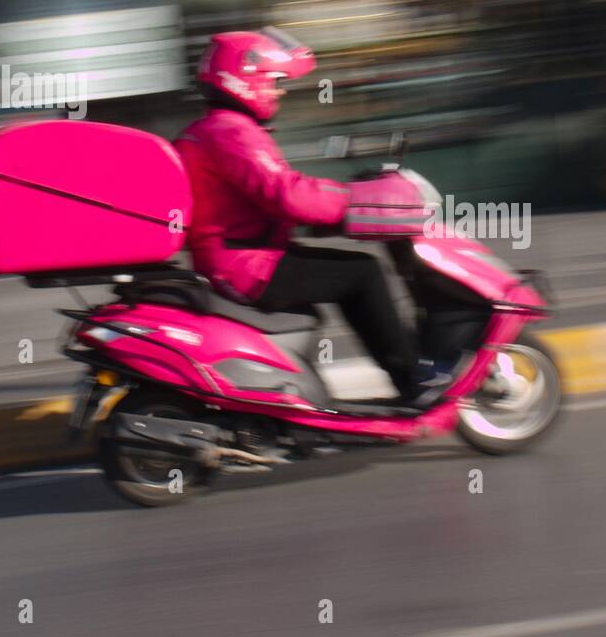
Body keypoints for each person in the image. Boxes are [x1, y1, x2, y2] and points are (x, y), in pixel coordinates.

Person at [175, 28, 428, 403]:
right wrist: (355, 199)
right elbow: (285, 193)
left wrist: (335, 209)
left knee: (351, 269)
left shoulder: (212, 130)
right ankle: (413, 384)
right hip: (248, 267)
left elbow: (267, 198)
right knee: (364, 274)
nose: (281, 91)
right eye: (275, 82)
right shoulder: (231, 132)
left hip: (239, 258)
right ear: (246, 79)